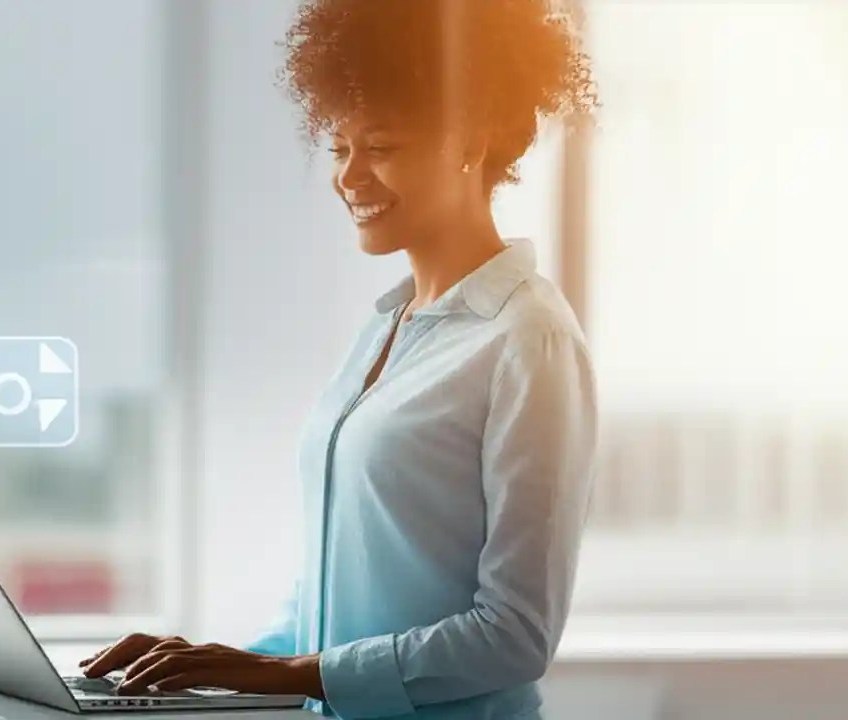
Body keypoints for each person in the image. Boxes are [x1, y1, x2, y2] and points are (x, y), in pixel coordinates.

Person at [81, 1, 599, 717]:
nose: (349, 177)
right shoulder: (386, 328)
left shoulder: (527, 339)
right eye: (339, 147)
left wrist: (288, 675)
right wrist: (206, 671)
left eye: (380, 146)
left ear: (472, 142)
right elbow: (332, 596)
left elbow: (514, 635)